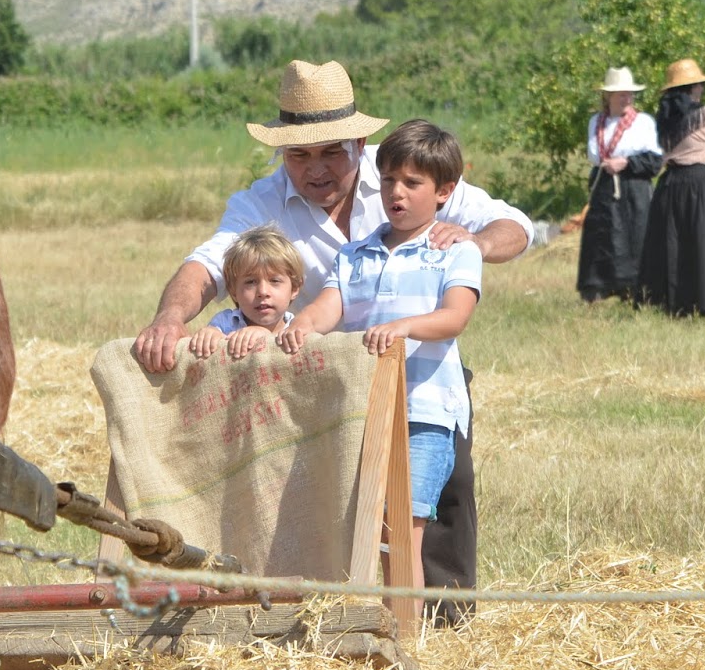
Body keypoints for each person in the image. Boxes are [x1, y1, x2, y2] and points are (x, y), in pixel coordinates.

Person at [133, 58, 533, 626]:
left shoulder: (405, 174)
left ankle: (440, 625)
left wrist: (470, 242)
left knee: (440, 492)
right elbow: (209, 264)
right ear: (282, 154)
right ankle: (334, 619)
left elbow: (514, 226)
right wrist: (171, 319)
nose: (315, 169)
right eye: (300, 155)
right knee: (330, 500)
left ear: (359, 142)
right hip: (317, 378)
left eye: (330, 153)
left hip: (419, 366)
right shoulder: (260, 202)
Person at [278, 119, 481, 582]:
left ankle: (401, 628)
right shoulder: (354, 255)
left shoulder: (454, 252)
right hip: (362, 411)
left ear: (445, 191)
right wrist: (300, 328)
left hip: (424, 411)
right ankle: (370, 615)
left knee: (403, 526)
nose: (398, 193)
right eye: (389, 179)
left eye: (413, 183)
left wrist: (401, 328)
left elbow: (455, 316)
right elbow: (327, 309)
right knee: (362, 520)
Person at [635, 58, 705, 325]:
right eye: (699, 84)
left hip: (669, 185)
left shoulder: (663, 121)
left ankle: (679, 307)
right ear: (692, 88)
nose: (701, 89)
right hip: (699, 184)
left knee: (674, 247)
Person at [578, 67, 662, 303]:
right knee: (601, 238)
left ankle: (635, 292)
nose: (627, 98)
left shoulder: (644, 122)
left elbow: (655, 160)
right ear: (608, 96)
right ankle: (596, 290)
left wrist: (626, 162)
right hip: (604, 185)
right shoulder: (596, 121)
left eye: (629, 94)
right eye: (621, 94)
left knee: (635, 237)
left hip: (633, 187)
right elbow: (594, 155)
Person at [187, 225, 304, 361]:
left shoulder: (298, 330)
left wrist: (266, 337)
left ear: (295, 288)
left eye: (274, 280)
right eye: (251, 282)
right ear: (233, 290)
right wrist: (210, 336)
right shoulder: (225, 324)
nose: (263, 292)